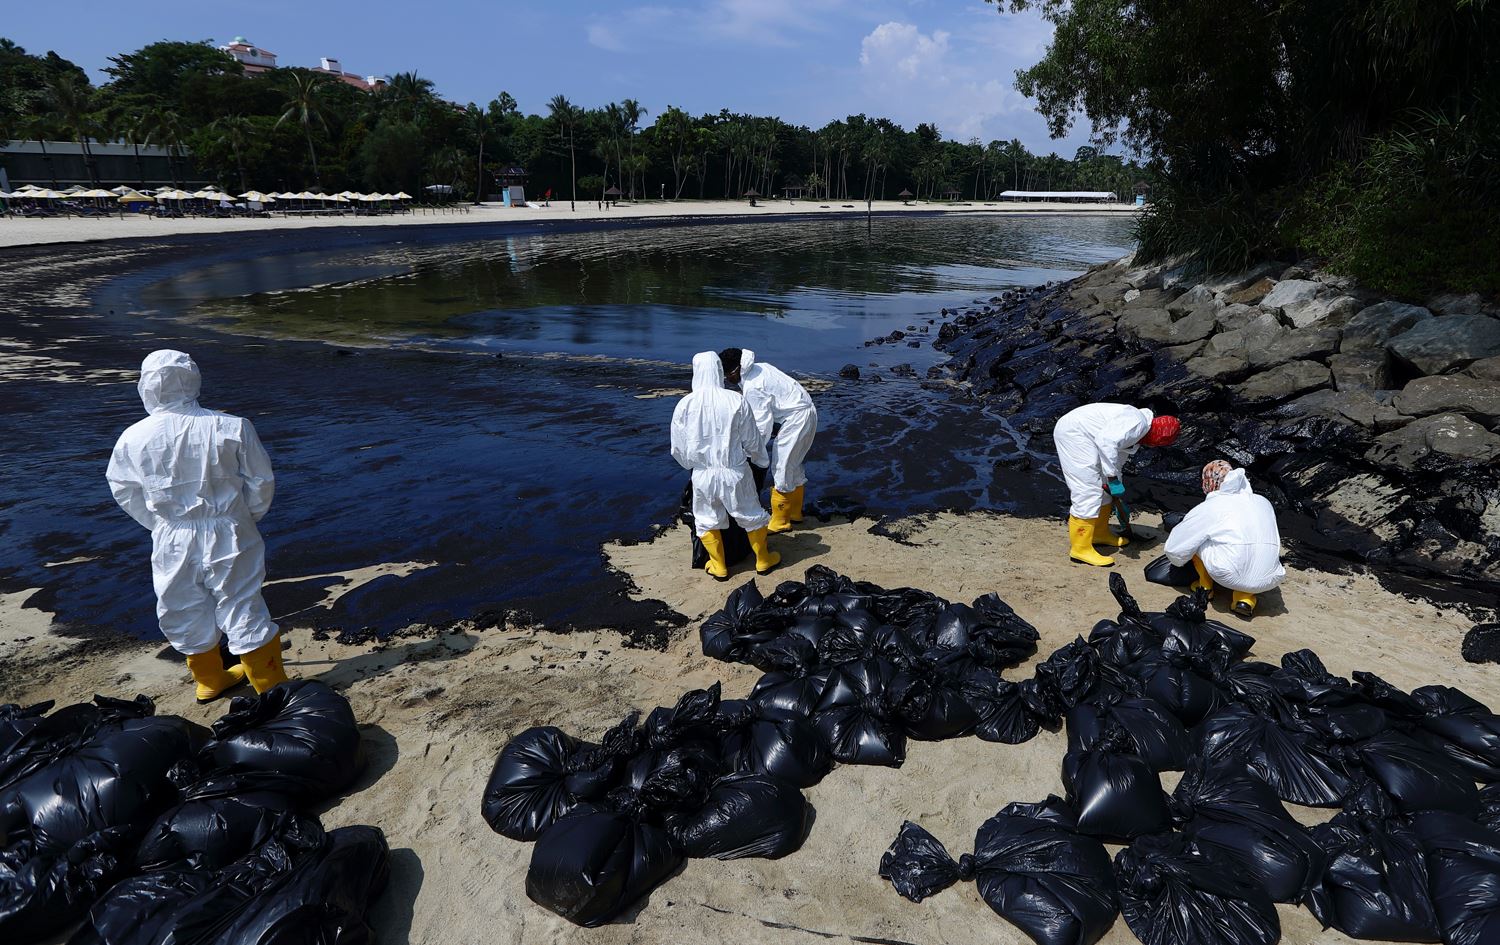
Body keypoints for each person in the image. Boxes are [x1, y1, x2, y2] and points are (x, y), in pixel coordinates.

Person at [106, 350, 288, 702]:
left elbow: (124, 489)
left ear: (145, 386)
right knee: (241, 602)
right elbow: (261, 481)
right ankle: (271, 688)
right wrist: (246, 517)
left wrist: (158, 524)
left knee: (182, 604)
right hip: (230, 529)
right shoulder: (232, 426)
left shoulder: (132, 436)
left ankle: (209, 680)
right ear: (193, 380)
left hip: (172, 534)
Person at [671, 352, 781, 579]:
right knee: (750, 514)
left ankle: (719, 565)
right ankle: (762, 560)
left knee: (706, 518)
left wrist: (692, 465)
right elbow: (752, 439)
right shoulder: (735, 400)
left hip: (703, 474)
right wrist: (761, 461)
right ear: (720, 371)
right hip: (735, 471)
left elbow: (678, 448)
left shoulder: (684, 405)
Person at [1052, 402, 1181, 567]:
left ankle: (1099, 533)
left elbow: (1117, 460)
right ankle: (1080, 549)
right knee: (1087, 490)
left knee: (1103, 489)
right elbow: (1106, 442)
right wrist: (1112, 478)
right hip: (1074, 433)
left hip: (1090, 436)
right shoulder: (1136, 424)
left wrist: (1114, 485)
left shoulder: (1136, 430)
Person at [1164, 460, 1285, 619]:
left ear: (1209, 481)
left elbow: (1177, 547)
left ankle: (1205, 588)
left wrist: (1177, 561)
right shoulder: (1263, 502)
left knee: (1196, 540)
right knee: (1253, 546)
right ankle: (1244, 599)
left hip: (1228, 574)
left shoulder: (1213, 505)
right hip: (1270, 578)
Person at [719, 348, 817, 533]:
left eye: (727, 376)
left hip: (796, 419)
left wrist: (751, 454)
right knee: (793, 465)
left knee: (782, 467)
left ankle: (780, 521)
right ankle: (794, 513)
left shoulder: (753, 387)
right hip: (804, 413)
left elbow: (762, 426)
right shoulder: (759, 368)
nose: (728, 381)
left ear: (735, 370)